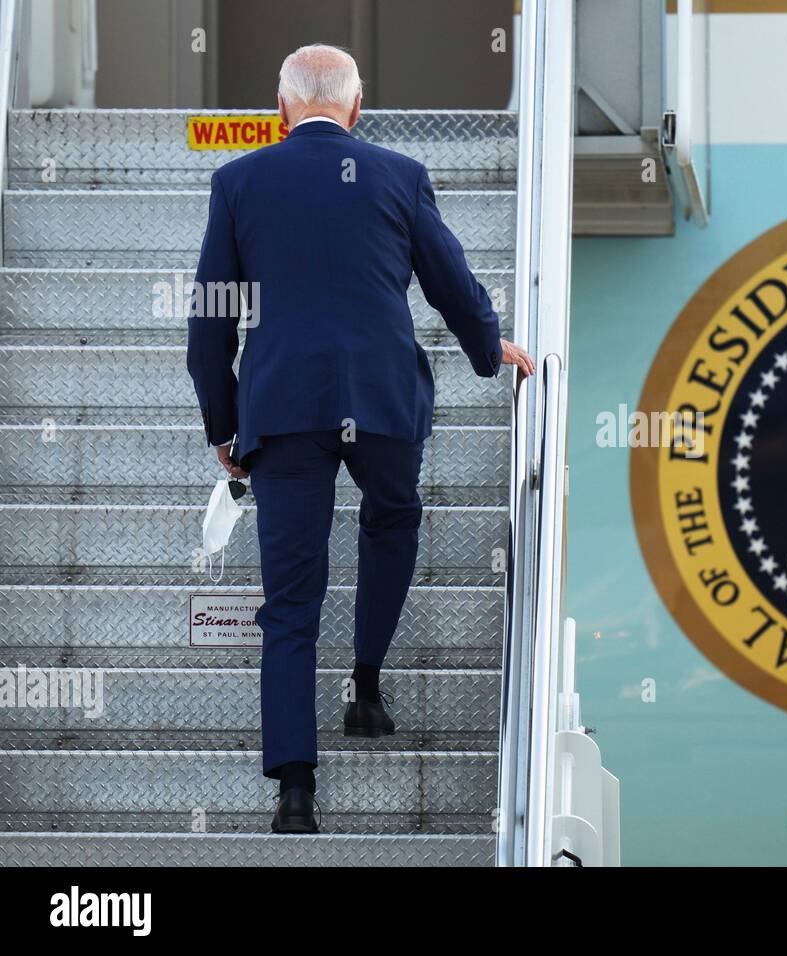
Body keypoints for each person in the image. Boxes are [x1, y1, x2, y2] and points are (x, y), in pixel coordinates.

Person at [186, 44, 534, 834]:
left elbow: (208, 319)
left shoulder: (237, 182)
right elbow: (450, 281)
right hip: (380, 401)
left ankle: (295, 789)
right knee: (391, 519)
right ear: (357, 105)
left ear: (281, 110)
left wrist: (223, 423)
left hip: (282, 409)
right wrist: (491, 351)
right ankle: (367, 687)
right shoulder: (397, 175)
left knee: (291, 601)